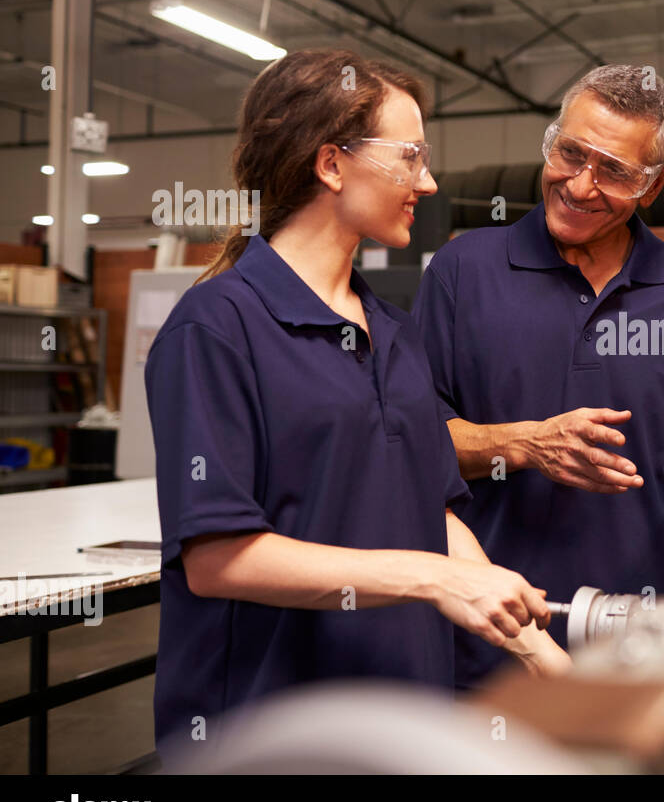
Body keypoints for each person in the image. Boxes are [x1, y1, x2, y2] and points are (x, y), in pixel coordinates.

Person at [145, 49, 567, 760]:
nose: (427, 182)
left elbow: (431, 508)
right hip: (269, 733)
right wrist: (434, 580)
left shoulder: (395, 334)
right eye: (409, 156)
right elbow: (218, 559)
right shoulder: (215, 328)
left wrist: (544, 656)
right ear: (332, 164)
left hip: (402, 718)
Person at [413, 64, 664, 690]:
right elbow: (410, 449)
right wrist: (522, 445)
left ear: (653, 188)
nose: (580, 185)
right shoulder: (464, 273)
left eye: (615, 172)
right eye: (570, 153)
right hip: (482, 639)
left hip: (631, 642)